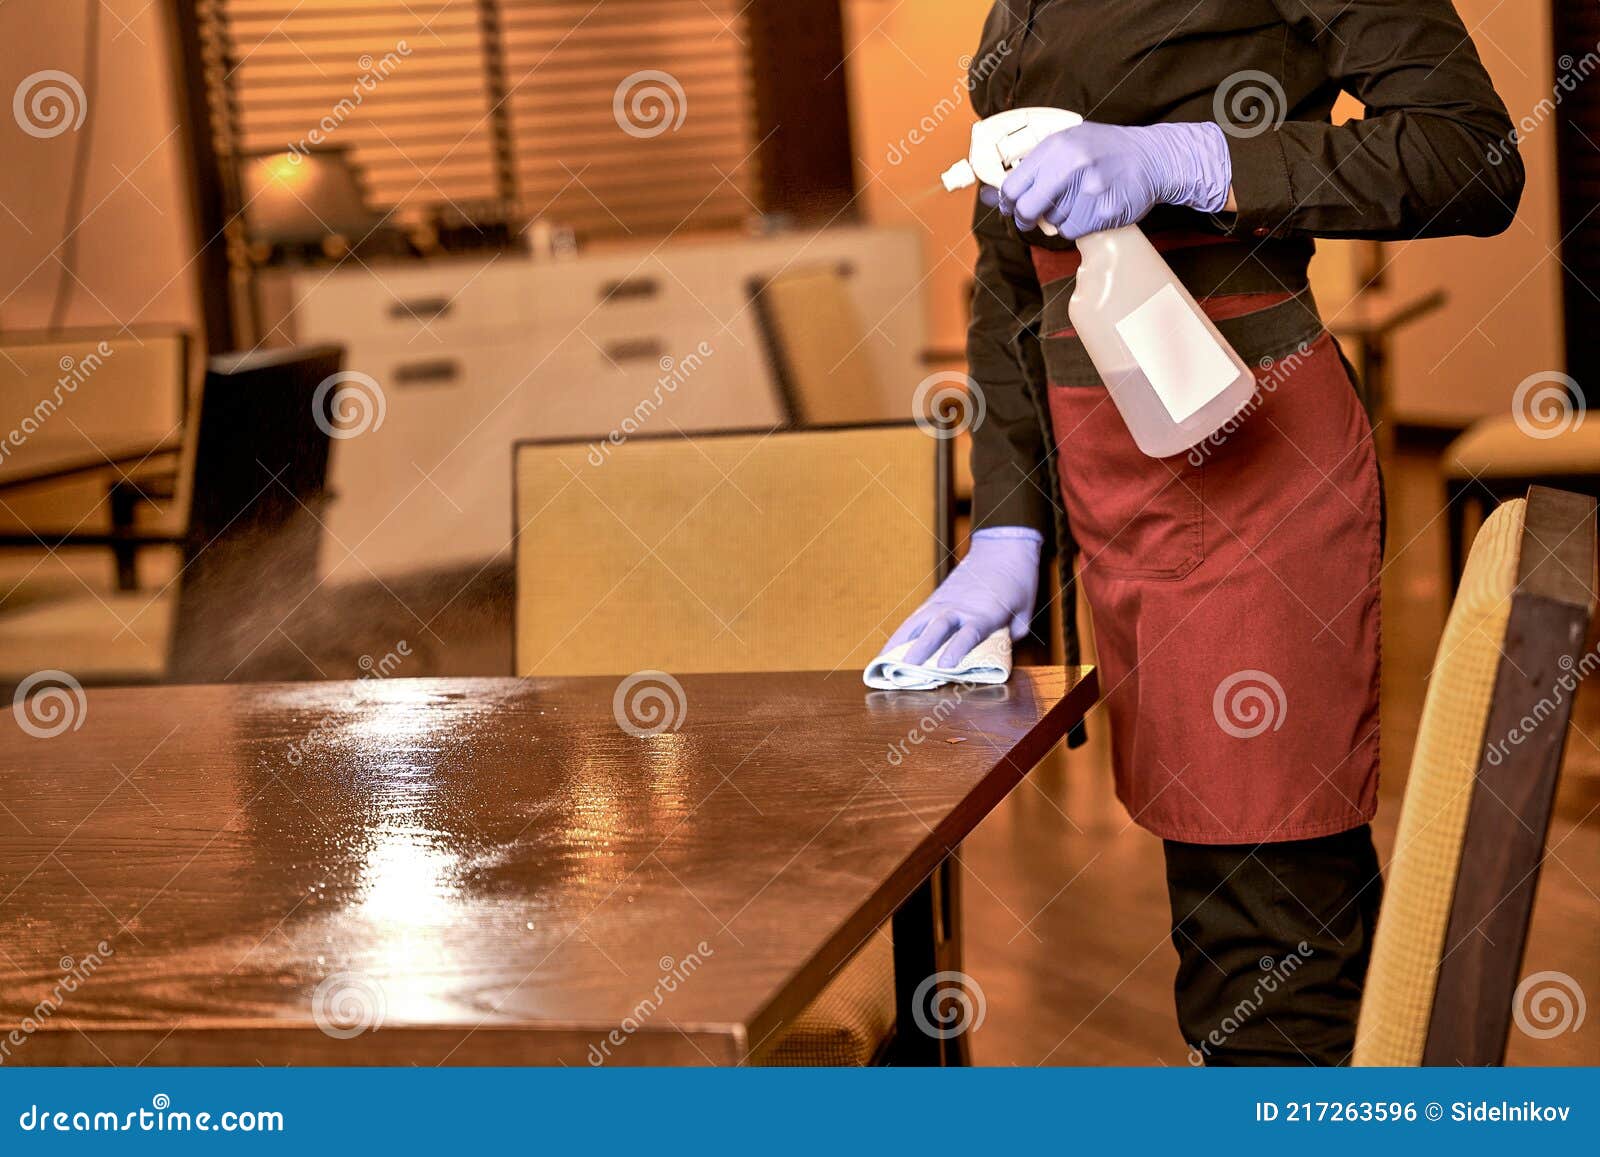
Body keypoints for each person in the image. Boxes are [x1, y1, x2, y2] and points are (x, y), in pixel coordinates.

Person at [884, 0, 1522, 1065]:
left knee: (1261, 951)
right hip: (1113, 473)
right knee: (1244, 909)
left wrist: (1186, 160)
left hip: (1247, 466)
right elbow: (1006, 281)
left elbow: (1471, 155)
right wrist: (1006, 530)